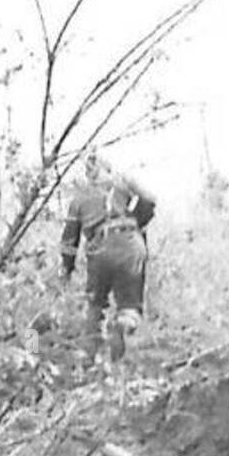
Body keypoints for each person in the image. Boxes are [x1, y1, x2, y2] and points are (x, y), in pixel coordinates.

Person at [61, 152, 156, 369]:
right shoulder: (121, 182)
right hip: (131, 243)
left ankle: (89, 361)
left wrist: (66, 271)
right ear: (107, 169)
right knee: (130, 306)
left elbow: (68, 241)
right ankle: (121, 329)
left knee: (95, 306)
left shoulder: (79, 198)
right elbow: (150, 199)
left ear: (88, 174)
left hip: (100, 248)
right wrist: (136, 221)